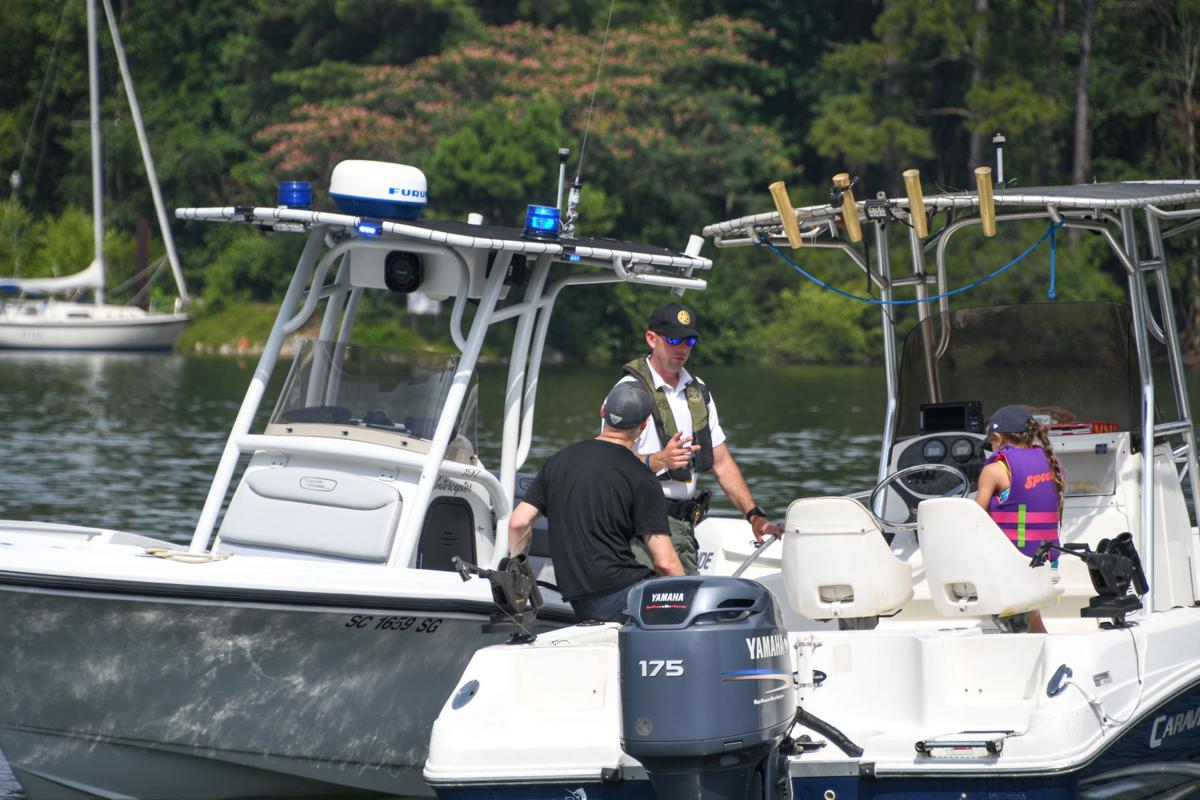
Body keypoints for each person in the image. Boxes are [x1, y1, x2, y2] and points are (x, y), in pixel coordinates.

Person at [616, 301, 782, 576]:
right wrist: (659, 460)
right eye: (673, 339)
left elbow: (722, 462)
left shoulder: (698, 391)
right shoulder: (628, 393)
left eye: (689, 340)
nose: (682, 348)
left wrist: (754, 516)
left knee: (685, 604)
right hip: (641, 528)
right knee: (659, 607)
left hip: (684, 528)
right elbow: (607, 462)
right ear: (651, 339)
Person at [508, 382, 684, 622]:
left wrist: (517, 576)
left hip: (579, 599)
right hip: (622, 596)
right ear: (644, 425)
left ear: (603, 411)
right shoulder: (641, 476)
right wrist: (688, 600)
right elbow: (666, 564)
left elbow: (518, 522)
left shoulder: (558, 461)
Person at [974, 404, 1066, 634]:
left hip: (1015, 561)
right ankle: (1041, 643)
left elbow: (973, 518)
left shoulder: (996, 470)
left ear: (997, 437)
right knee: (1033, 618)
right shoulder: (1050, 462)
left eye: (992, 443)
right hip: (1047, 558)